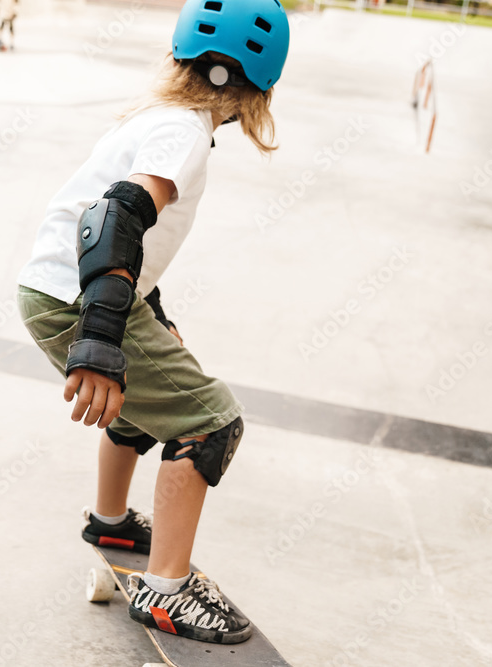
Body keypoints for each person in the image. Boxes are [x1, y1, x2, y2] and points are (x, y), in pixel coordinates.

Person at [16, 0, 289, 645]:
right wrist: (103, 336)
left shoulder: (160, 117)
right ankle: (167, 594)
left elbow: (123, 237)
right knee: (209, 420)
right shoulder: (186, 133)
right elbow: (119, 217)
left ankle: (111, 521)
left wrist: (148, 316)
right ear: (262, 87)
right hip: (78, 298)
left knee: (142, 401)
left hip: (57, 287)